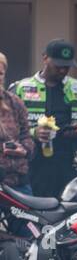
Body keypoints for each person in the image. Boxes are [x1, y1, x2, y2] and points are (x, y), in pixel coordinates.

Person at [10, 40, 77, 198]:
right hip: (31, 166)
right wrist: (33, 133)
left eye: (67, 66)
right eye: (58, 65)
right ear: (45, 58)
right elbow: (7, 129)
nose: (62, 70)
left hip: (69, 166)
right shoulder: (20, 88)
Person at [0, 54, 33, 194]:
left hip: (18, 182)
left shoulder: (15, 102)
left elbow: (27, 136)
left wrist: (24, 149)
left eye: (0, 73)